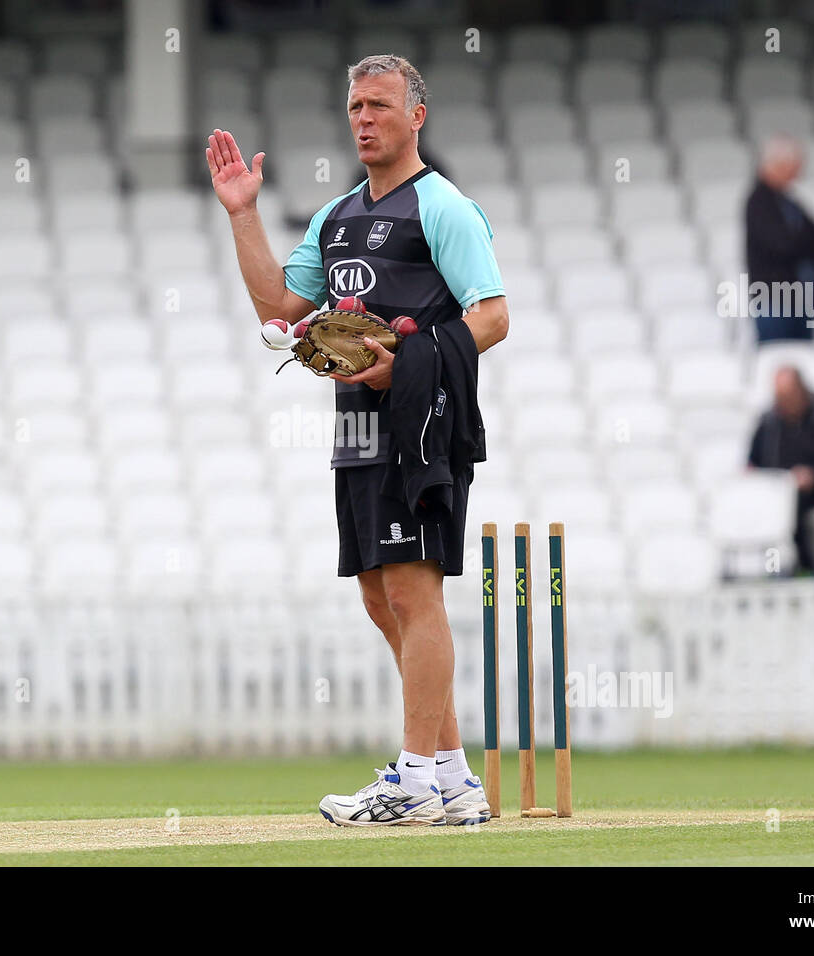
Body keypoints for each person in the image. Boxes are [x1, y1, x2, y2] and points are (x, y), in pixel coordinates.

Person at [207, 54, 509, 826]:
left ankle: (414, 781)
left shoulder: (444, 208)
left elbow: (492, 317)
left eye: (379, 105)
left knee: (413, 591)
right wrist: (243, 213)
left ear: (417, 116)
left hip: (423, 425)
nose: (365, 119)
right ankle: (452, 780)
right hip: (356, 427)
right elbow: (279, 312)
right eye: (355, 107)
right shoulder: (336, 218)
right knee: (381, 598)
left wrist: (408, 365)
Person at [747, 366, 814, 576]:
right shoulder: (768, 423)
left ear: (801, 390)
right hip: (775, 497)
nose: (782, 402)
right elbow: (753, 463)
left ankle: (807, 570)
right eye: (779, 396)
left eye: (787, 396)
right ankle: (771, 570)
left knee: (795, 510)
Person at [744, 135, 814, 343]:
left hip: (800, 298)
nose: (799, 170)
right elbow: (783, 245)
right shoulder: (759, 202)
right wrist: (807, 242)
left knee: (803, 357)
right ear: (779, 164)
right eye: (795, 164)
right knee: (777, 355)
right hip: (775, 299)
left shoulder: (788, 202)